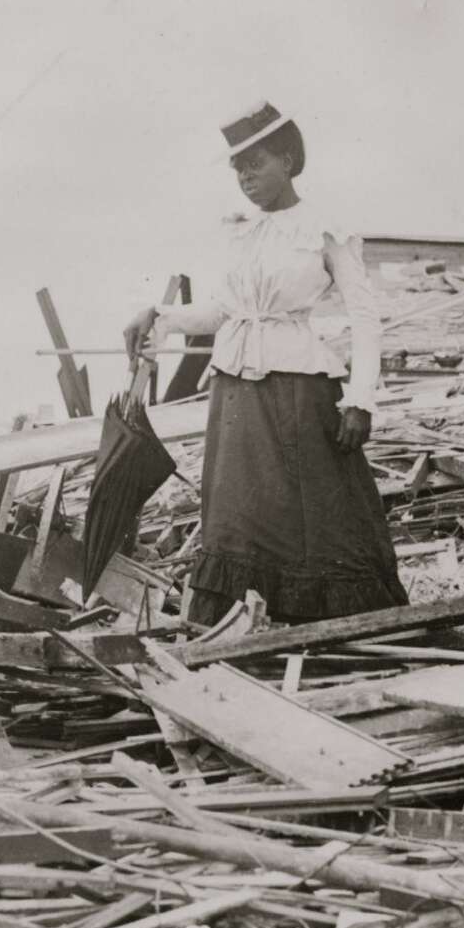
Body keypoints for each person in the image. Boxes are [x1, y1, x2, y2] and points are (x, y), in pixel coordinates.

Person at [123, 101, 407, 626]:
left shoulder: (324, 229)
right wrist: (160, 316)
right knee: (236, 517)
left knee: (315, 520)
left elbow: (365, 317)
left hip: (297, 394)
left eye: (256, 163)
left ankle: (327, 630)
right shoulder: (242, 231)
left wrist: (360, 399)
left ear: (289, 160)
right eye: (238, 168)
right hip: (235, 395)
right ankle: (232, 628)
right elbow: (226, 310)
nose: (245, 177)